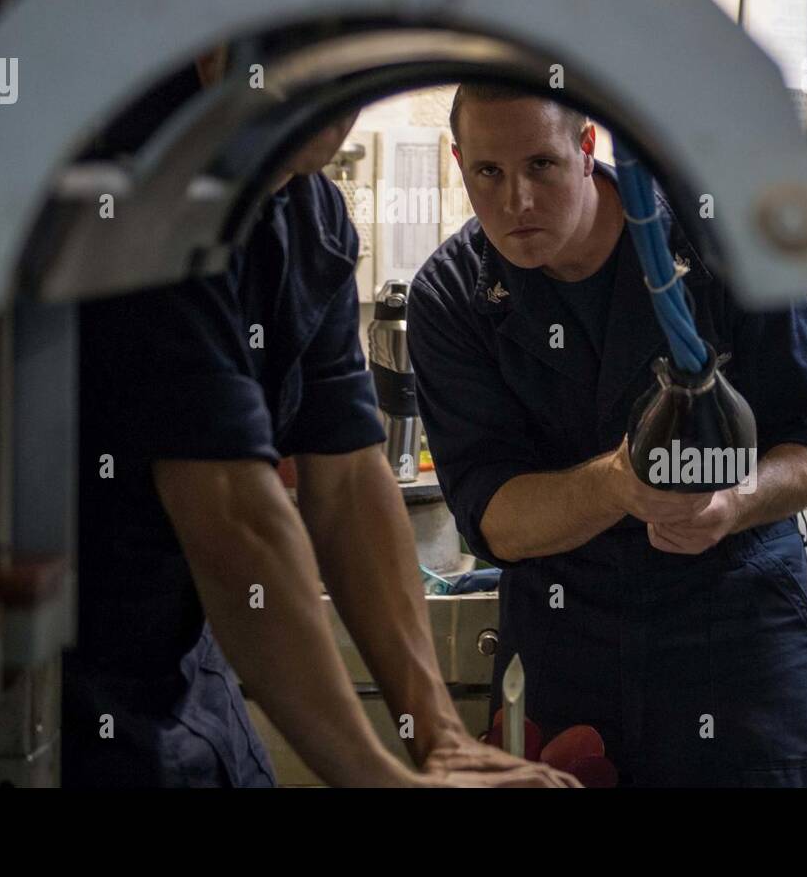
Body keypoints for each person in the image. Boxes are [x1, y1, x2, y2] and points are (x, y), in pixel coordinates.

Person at [61, 55, 575, 788]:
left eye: (353, 63)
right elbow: (233, 518)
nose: (339, 94)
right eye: (307, 60)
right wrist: (379, 779)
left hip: (188, 668)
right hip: (70, 683)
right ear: (219, 56)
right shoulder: (142, 199)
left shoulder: (312, 217)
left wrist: (438, 737)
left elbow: (351, 478)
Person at [406, 82, 807, 787]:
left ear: (586, 147)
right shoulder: (451, 299)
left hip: (735, 632)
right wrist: (620, 485)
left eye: (540, 165)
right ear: (458, 163)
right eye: (488, 172)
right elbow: (493, 516)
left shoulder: (724, 239)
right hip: (565, 644)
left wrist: (735, 503)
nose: (517, 201)